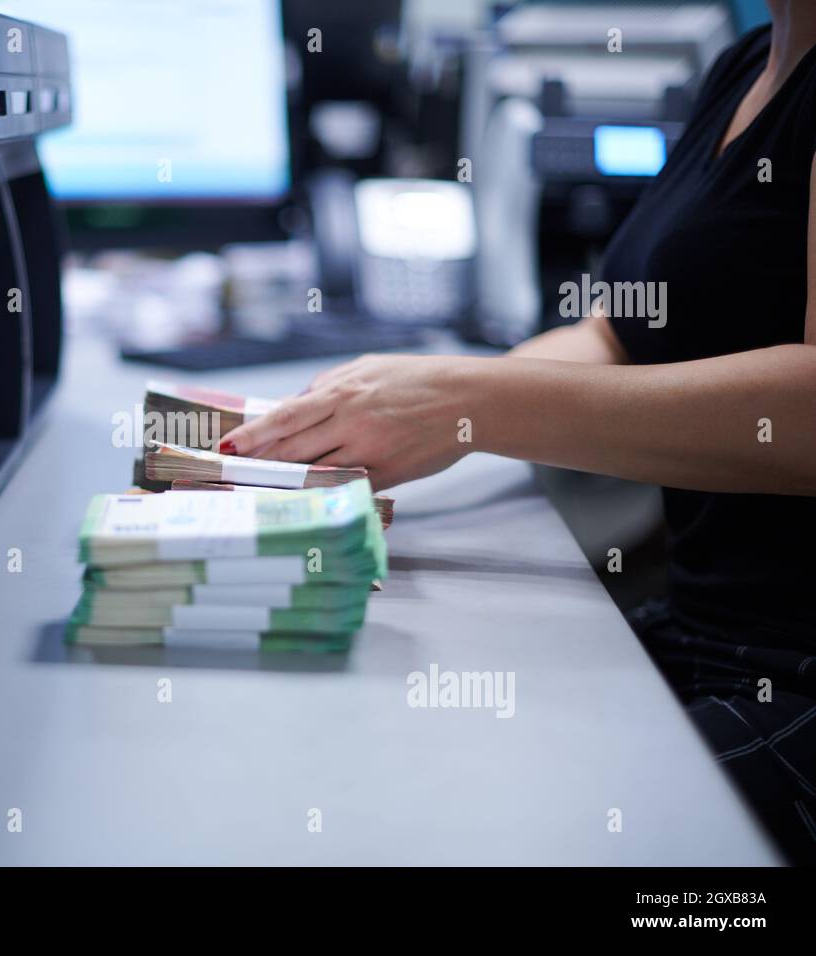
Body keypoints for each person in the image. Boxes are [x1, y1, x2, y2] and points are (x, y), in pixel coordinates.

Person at [219, 5, 816, 864]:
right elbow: (618, 335)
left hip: (795, 675)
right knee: (385, 746)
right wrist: (404, 412)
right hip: (705, 631)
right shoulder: (751, 63)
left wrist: (472, 400)